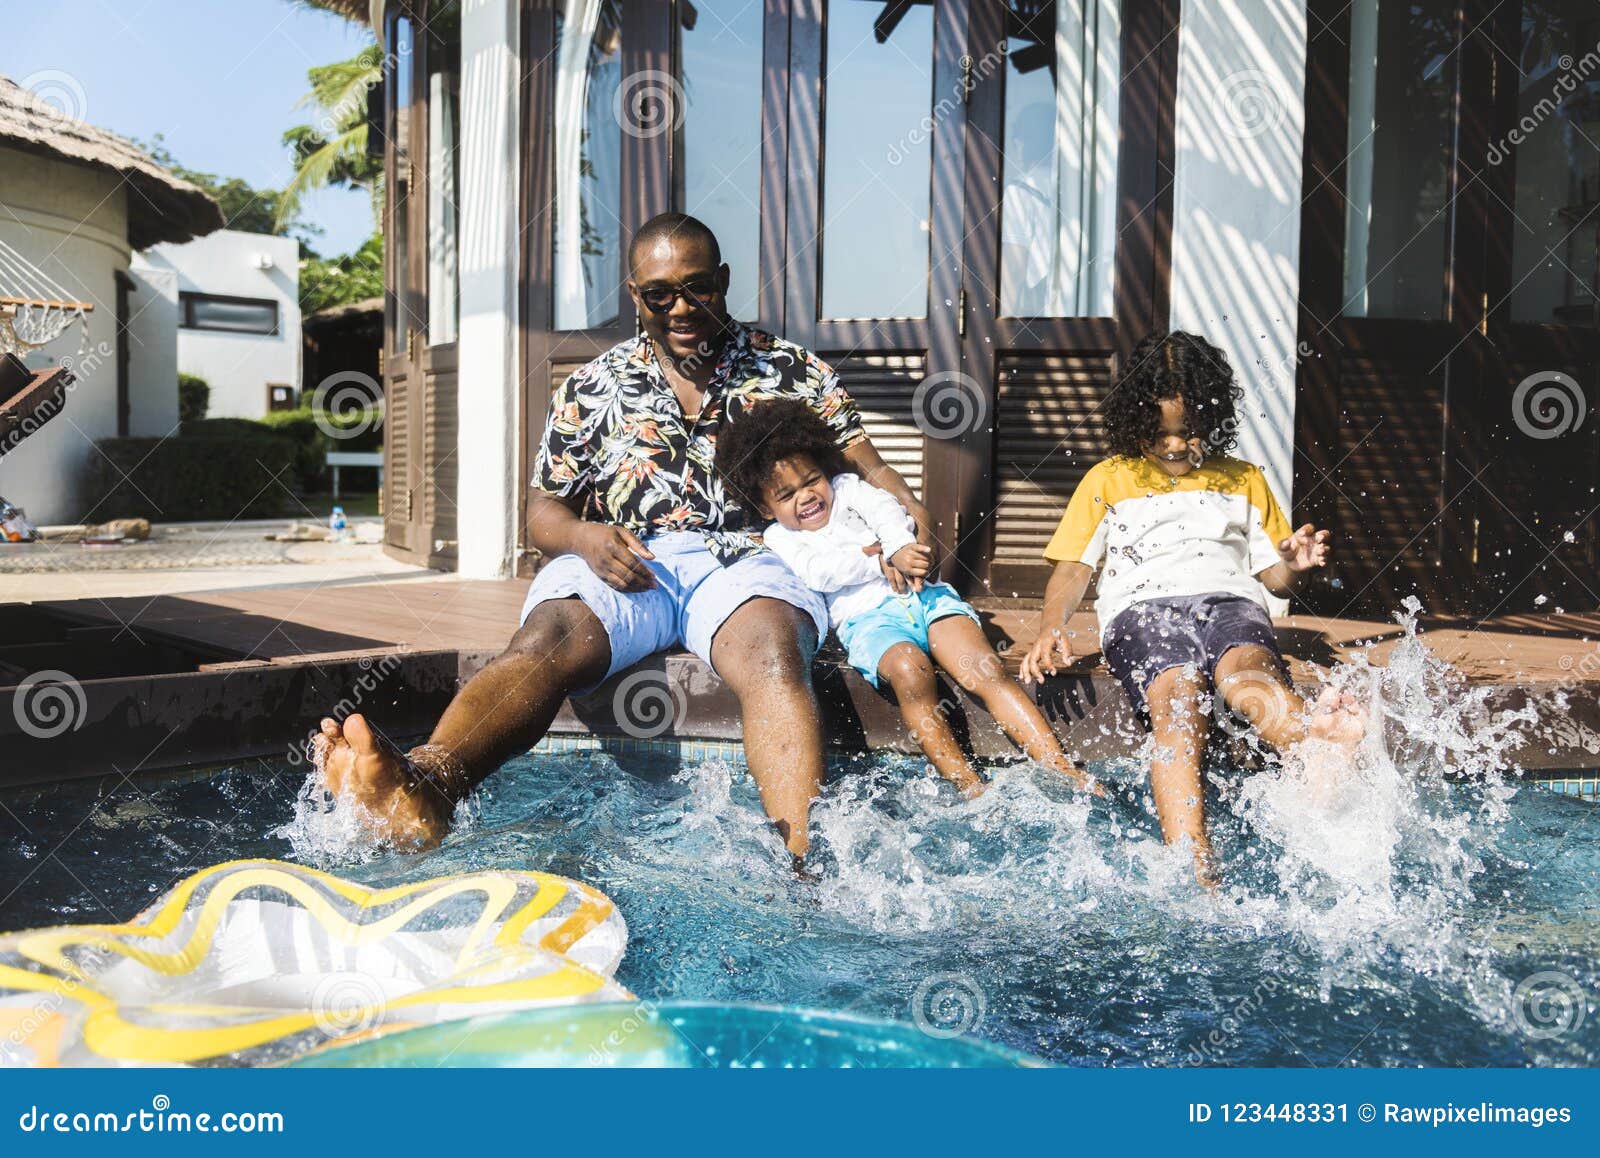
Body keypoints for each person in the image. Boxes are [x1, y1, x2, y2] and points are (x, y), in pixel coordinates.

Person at [313, 213, 933, 866]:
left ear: (723, 282)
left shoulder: (790, 371)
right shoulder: (590, 388)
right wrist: (582, 537)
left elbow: (869, 464)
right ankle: (426, 789)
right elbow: (541, 512)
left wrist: (908, 517)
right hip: (626, 560)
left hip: (746, 561)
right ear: (636, 297)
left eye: (698, 288)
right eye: (660, 294)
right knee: (547, 636)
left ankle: (800, 865)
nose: (681, 307)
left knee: (775, 653)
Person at [1018, 330, 1364, 887]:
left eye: (1190, 432)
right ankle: (1194, 858)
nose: (1177, 447)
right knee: (1178, 700)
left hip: (1230, 602)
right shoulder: (1108, 479)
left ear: (1214, 419)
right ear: (1134, 424)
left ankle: (1317, 738)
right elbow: (1074, 568)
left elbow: (1269, 575)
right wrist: (1049, 628)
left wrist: (1293, 565)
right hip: (1142, 611)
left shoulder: (1243, 479)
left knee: (1248, 677)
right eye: (1161, 435)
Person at [716, 399, 1100, 800]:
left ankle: (1061, 767)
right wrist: (880, 560)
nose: (806, 496)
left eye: (812, 480)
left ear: (826, 471)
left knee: (985, 670)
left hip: (926, 600)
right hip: (869, 623)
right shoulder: (781, 537)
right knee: (910, 671)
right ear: (765, 506)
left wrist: (899, 544)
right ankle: (970, 786)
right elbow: (819, 571)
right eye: (787, 494)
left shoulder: (849, 489)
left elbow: (887, 510)